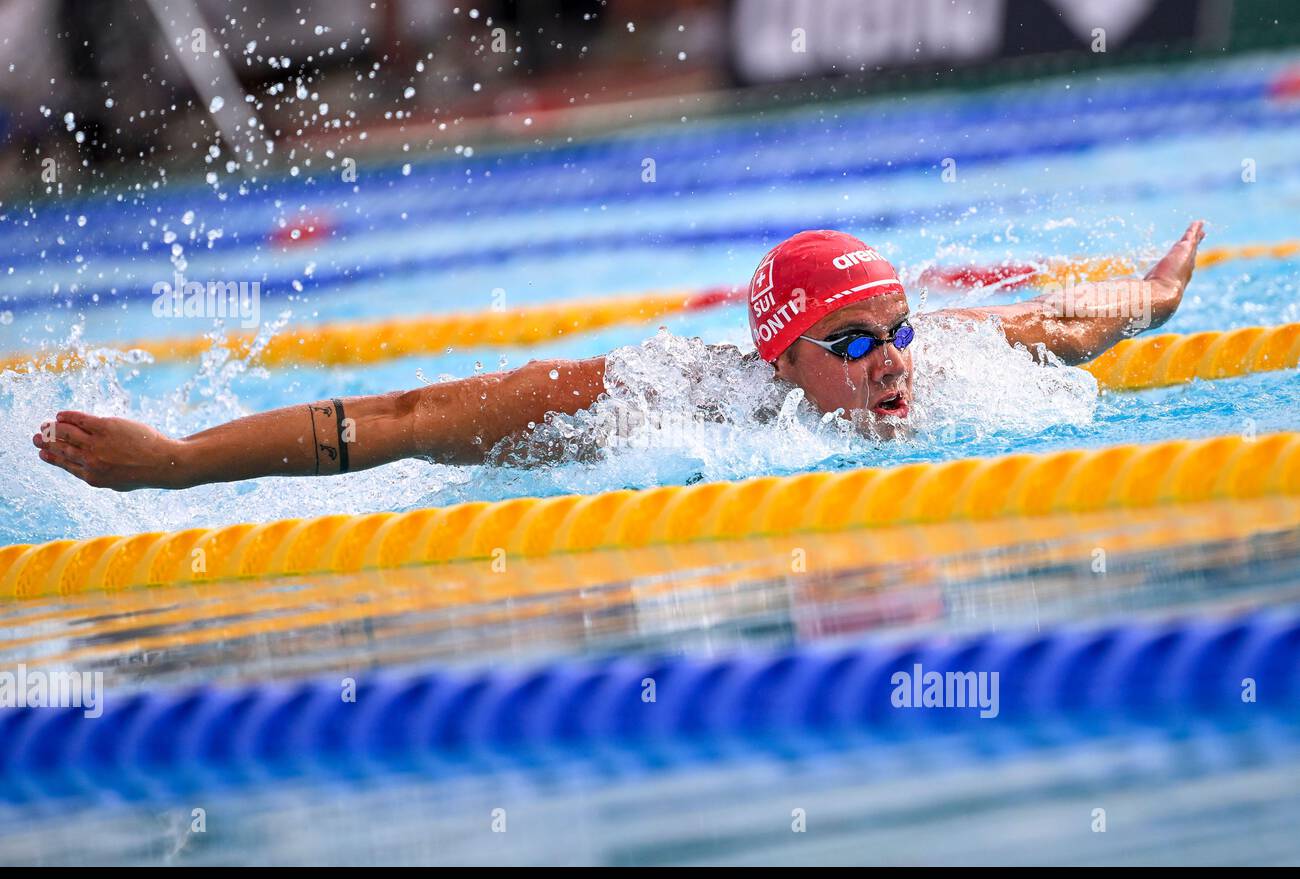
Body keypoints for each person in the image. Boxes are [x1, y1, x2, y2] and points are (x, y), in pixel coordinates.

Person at [33, 222, 1206, 491]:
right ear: (783, 359)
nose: (890, 358)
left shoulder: (939, 365)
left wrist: (1146, 301)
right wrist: (176, 460)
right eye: (851, 341)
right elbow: (408, 409)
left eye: (893, 329)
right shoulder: (659, 398)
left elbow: (1058, 325)